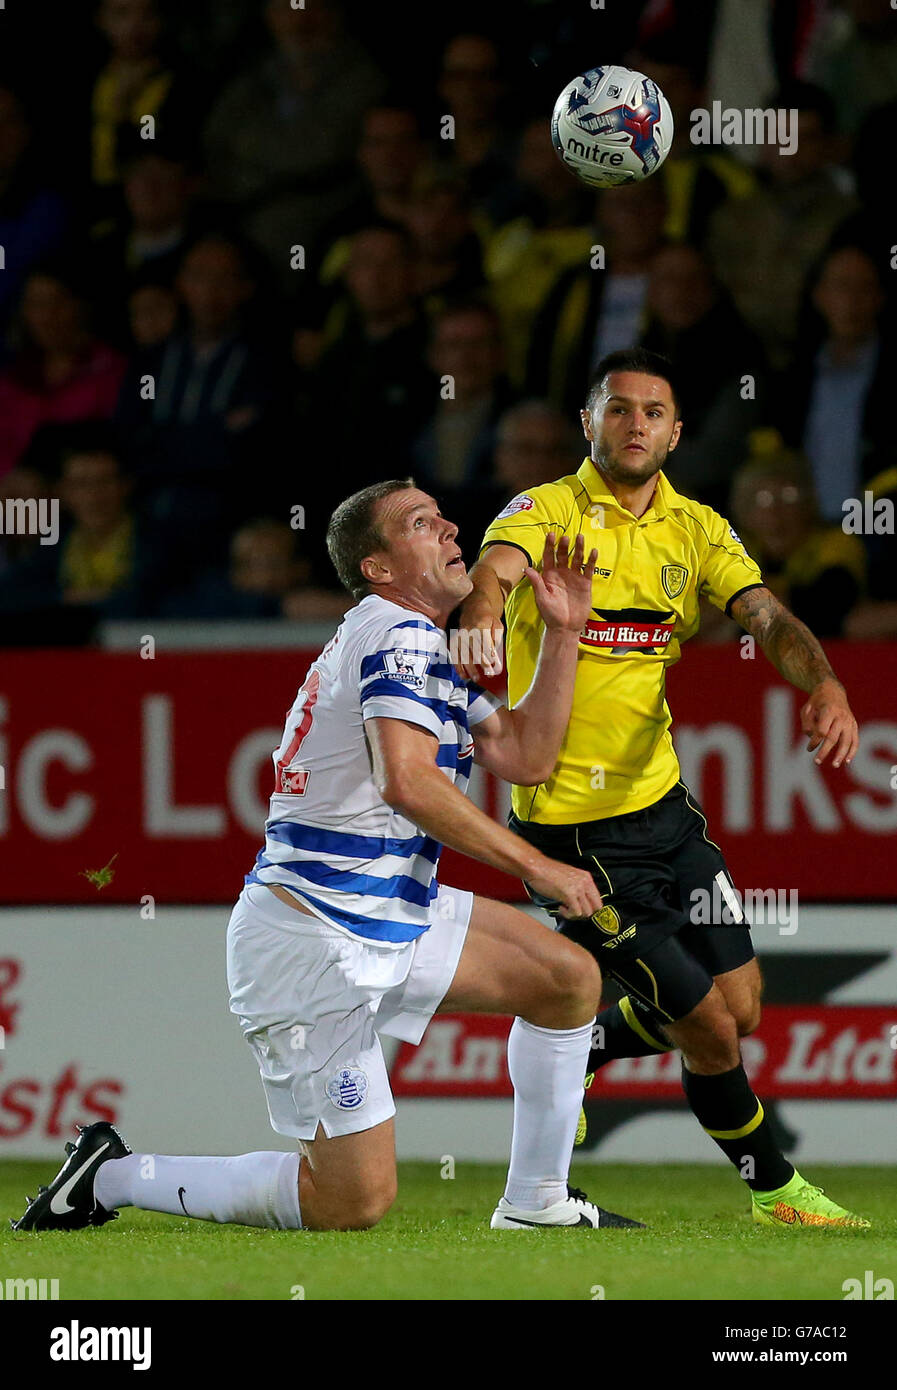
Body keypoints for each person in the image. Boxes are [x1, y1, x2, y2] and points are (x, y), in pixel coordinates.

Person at [13, 480, 645, 1235]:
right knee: (348, 1204)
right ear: (379, 568)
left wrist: (565, 633)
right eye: (420, 523)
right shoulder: (396, 635)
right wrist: (535, 868)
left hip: (385, 916)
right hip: (312, 942)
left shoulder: (419, 644)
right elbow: (406, 781)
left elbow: (524, 753)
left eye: (442, 516)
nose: (449, 528)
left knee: (566, 980)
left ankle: (536, 1202)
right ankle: (108, 1176)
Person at [456, 347, 870, 1230]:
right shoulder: (546, 510)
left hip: (666, 818)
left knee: (744, 1008)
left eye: (652, 412)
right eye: (618, 408)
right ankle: (774, 1191)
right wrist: (485, 614)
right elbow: (492, 569)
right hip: (573, 840)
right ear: (588, 421)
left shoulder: (698, 529)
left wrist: (823, 682)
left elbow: (765, 616)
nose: (635, 423)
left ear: (676, 433)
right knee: (711, 1033)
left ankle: (595, 1042)